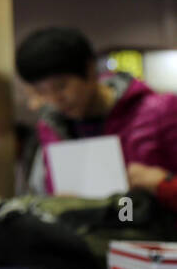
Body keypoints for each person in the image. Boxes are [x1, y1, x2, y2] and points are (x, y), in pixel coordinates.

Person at [15, 27, 177, 194]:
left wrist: (165, 185)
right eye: (41, 92)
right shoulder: (51, 127)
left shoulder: (161, 111)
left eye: (61, 86)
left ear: (90, 70)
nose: (54, 99)